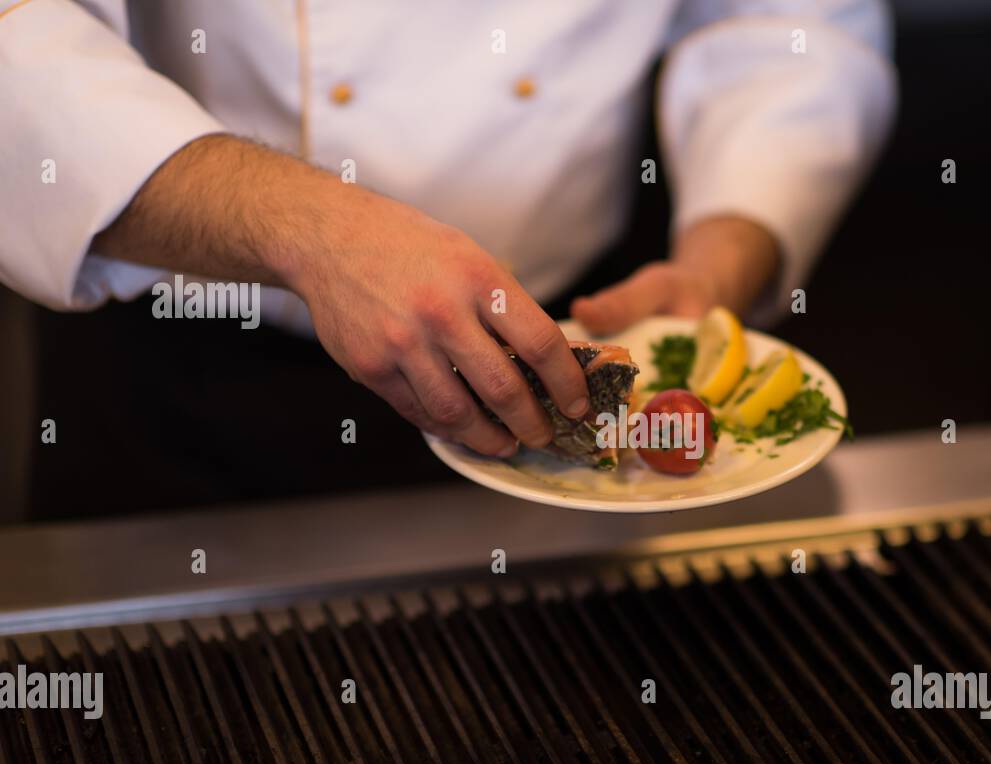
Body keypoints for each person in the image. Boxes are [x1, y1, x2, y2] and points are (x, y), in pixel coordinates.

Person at [0, 0, 896, 518]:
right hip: (198, 387)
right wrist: (310, 227)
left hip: (577, 382)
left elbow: (785, 23)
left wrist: (719, 259)